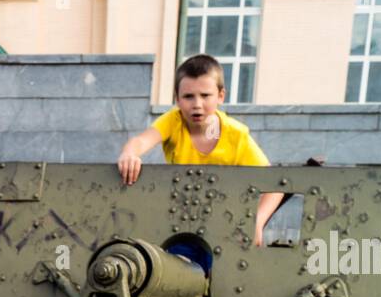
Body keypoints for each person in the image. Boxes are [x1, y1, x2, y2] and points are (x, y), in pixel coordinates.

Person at [116, 54, 285, 246]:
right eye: (188, 96)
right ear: (177, 99)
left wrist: (257, 222)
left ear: (221, 96)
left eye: (205, 96)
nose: (197, 104)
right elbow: (141, 140)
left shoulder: (236, 135)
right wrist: (129, 154)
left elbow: (275, 185)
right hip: (183, 219)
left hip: (226, 224)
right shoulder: (173, 121)